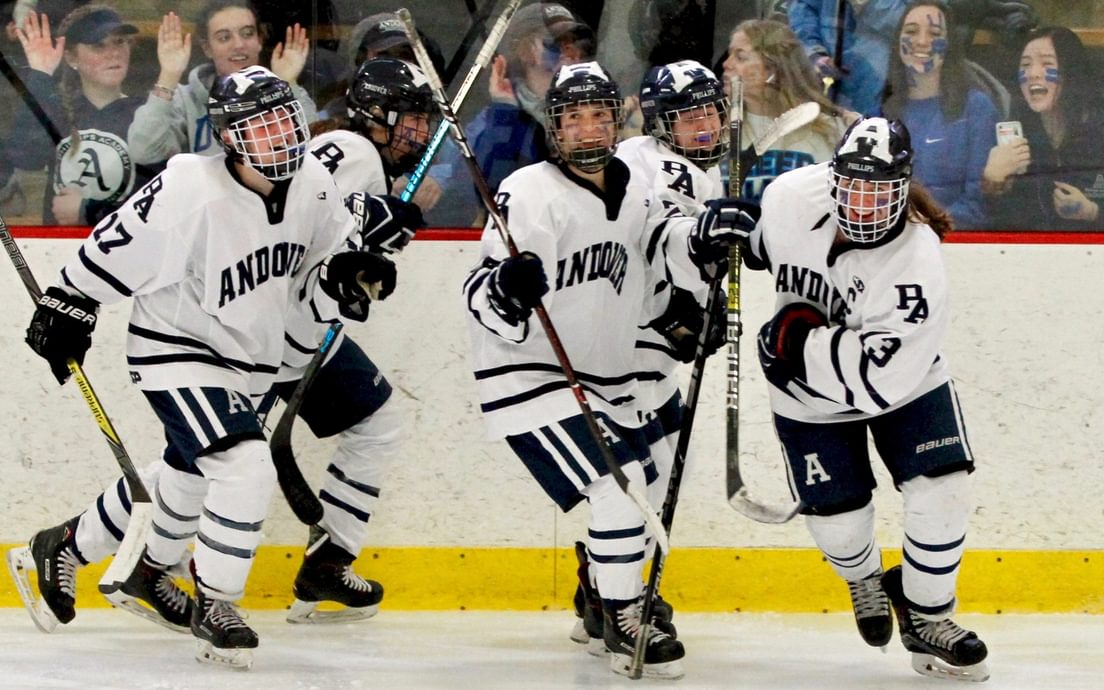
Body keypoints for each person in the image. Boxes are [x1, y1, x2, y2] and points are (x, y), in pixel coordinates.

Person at [6, 58, 431, 635]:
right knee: (238, 463)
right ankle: (214, 597)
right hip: (184, 346)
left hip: (255, 350)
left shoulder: (311, 180)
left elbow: (319, 270)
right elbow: (115, 243)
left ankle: (84, 550)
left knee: (192, 467)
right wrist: (70, 300)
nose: (281, 138)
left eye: (285, 122)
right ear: (230, 138)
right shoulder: (194, 185)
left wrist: (346, 278)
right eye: (262, 127)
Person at [462, 60, 753, 679]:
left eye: (599, 116)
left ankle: (602, 601)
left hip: (606, 379)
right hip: (532, 377)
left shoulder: (635, 194)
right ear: (554, 128)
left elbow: (661, 252)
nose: (588, 129)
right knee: (622, 487)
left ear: (618, 123)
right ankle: (625, 616)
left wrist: (701, 245)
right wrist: (506, 290)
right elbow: (479, 291)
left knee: (646, 486)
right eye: (574, 119)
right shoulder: (529, 191)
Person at [745, 116, 989, 681]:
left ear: (902, 189)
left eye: (878, 191)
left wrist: (795, 344)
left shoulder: (917, 262)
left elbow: (876, 380)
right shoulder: (789, 197)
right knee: (838, 517)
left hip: (905, 384)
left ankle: (928, 614)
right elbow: (757, 248)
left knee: (943, 490)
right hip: (804, 397)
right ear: (833, 176)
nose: (861, 202)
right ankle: (864, 579)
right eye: (853, 185)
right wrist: (727, 234)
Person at [563, 58, 730, 654]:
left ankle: (604, 589)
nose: (704, 125)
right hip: (627, 353)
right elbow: (657, 241)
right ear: (661, 124)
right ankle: (618, 600)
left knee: (656, 480)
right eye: (688, 117)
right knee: (640, 484)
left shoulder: (699, 171)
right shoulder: (654, 163)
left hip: (653, 358)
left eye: (710, 112)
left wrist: (702, 308)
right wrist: (678, 309)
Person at [431, 1, 595, 226]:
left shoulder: (601, 113)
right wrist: (506, 112)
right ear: (525, 51)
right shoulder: (491, 120)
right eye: (558, 43)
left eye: (577, 44)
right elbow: (478, 193)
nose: (572, 52)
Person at [0, 5, 158, 225]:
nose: (114, 53)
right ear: (72, 58)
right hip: (60, 244)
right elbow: (25, 157)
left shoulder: (148, 113)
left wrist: (87, 210)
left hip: (127, 244)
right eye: (98, 46)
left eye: (120, 42)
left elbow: (158, 201)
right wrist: (41, 75)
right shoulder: (59, 109)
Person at [126, 0, 315, 167]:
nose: (239, 44)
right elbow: (143, 152)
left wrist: (287, 85)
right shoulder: (187, 100)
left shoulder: (279, 92)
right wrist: (169, 76)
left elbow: (315, 147)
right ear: (207, 48)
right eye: (224, 37)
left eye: (247, 34)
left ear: (259, 41)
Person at [882, 1, 999, 230]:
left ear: (949, 45)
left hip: (954, 242)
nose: (922, 41)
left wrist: (918, 226)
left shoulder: (977, 108)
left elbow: (976, 206)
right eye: (911, 31)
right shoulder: (879, 113)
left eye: (934, 33)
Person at [316, 12, 446, 212]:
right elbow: (315, 224)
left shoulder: (354, 146)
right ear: (377, 117)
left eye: (406, 56)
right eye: (415, 119)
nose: (425, 133)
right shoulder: (360, 155)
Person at [983, 26, 1104, 230]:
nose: (1032, 74)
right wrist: (992, 181)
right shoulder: (1014, 137)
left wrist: (1093, 212)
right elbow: (1000, 223)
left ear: (1071, 72)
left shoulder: (1098, 129)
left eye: (1047, 63)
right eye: (1025, 65)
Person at [721, 18, 852, 202]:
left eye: (740, 57)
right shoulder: (716, 129)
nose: (726, 64)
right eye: (729, 55)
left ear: (772, 68)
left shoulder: (833, 130)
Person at [787, 0, 908, 116]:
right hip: (824, 86)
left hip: (881, 86)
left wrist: (873, 4)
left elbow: (911, 28)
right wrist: (814, 54)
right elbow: (803, 11)